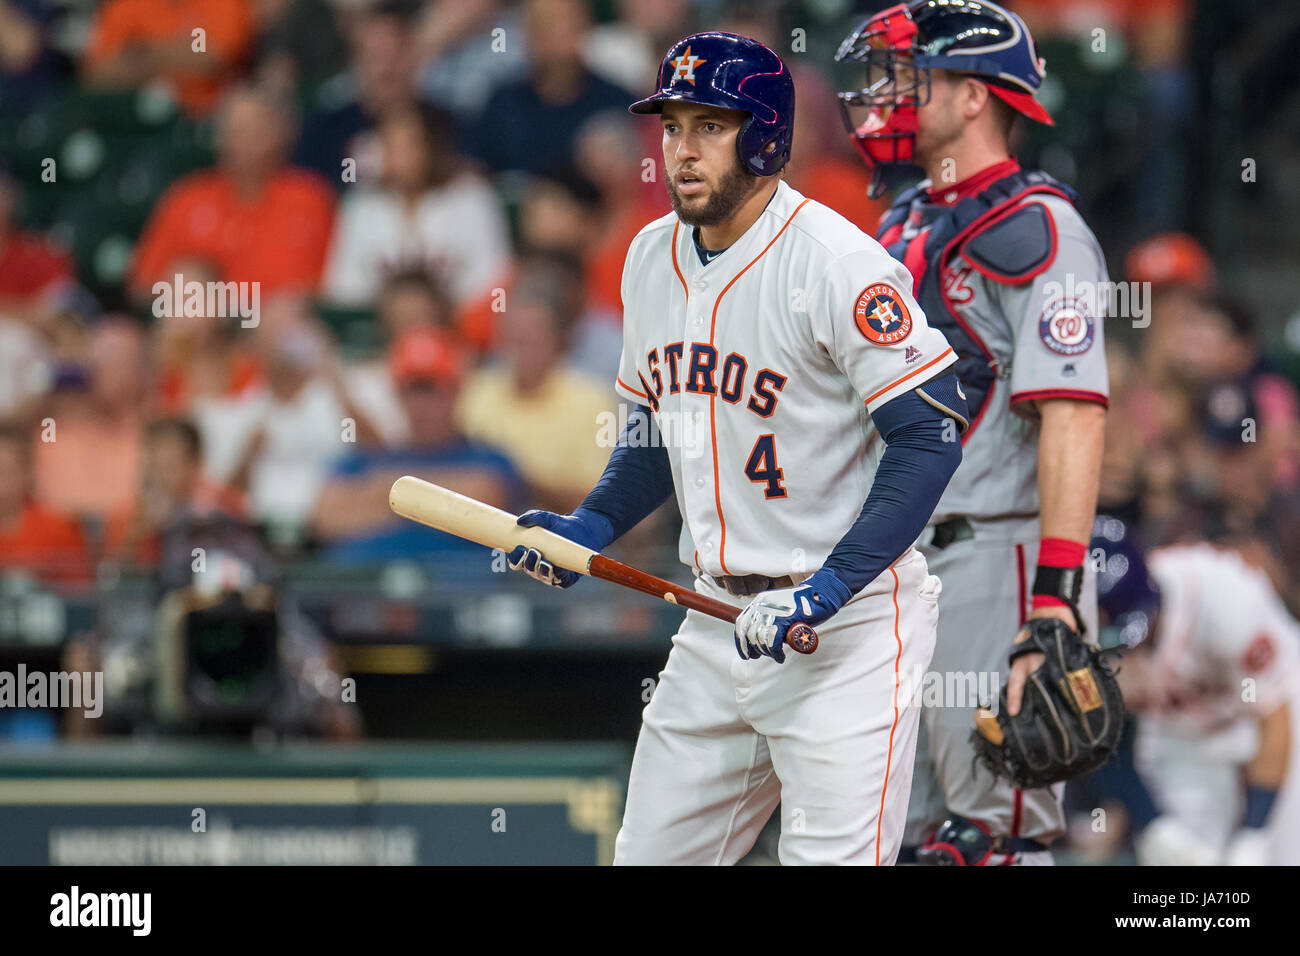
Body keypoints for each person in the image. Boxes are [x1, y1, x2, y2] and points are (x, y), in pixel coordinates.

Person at [507, 32, 968, 865]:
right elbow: (653, 430)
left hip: (848, 628)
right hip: (714, 617)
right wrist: (594, 523)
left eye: (709, 126)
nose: (682, 150)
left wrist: (827, 589)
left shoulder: (835, 264)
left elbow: (931, 435)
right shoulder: (649, 257)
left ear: (765, 139)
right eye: (673, 126)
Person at [835, 0, 1109, 863]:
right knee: (896, 840)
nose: (890, 99)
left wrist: (1055, 600)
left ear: (976, 97)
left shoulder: (1039, 226)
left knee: (988, 836)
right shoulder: (904, 222)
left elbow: (1071, 413)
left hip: (997, 552)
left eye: (914, 80)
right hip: (901, 567)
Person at [1092, 517, 1300, 865]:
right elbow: (1092, 737)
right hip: (1184, 736)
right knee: (1183, 860)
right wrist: (1151, 821)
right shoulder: (1086, 635)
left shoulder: (1225, 599)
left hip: (1276, 708)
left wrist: (1255, 834)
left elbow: (1274, 718)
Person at [311, 326, 522, 567]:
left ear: (455, 392)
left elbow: (486, 502)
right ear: (398, 395)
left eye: (433, 390)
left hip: (459, 595)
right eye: (414, 391)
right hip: (365, 594)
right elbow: (326, 520)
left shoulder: (488, 459)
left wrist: (384, 490)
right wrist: (431, 507)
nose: (423, 405)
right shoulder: (365, 459)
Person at [130, 83, 335, 299]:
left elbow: (333, 286)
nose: (240, 142)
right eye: (232, 130)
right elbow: (145, 285)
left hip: (277, 324)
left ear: (281, 134)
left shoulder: (310, 198)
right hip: (199, 326)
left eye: (252, 131)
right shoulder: (187, 198)